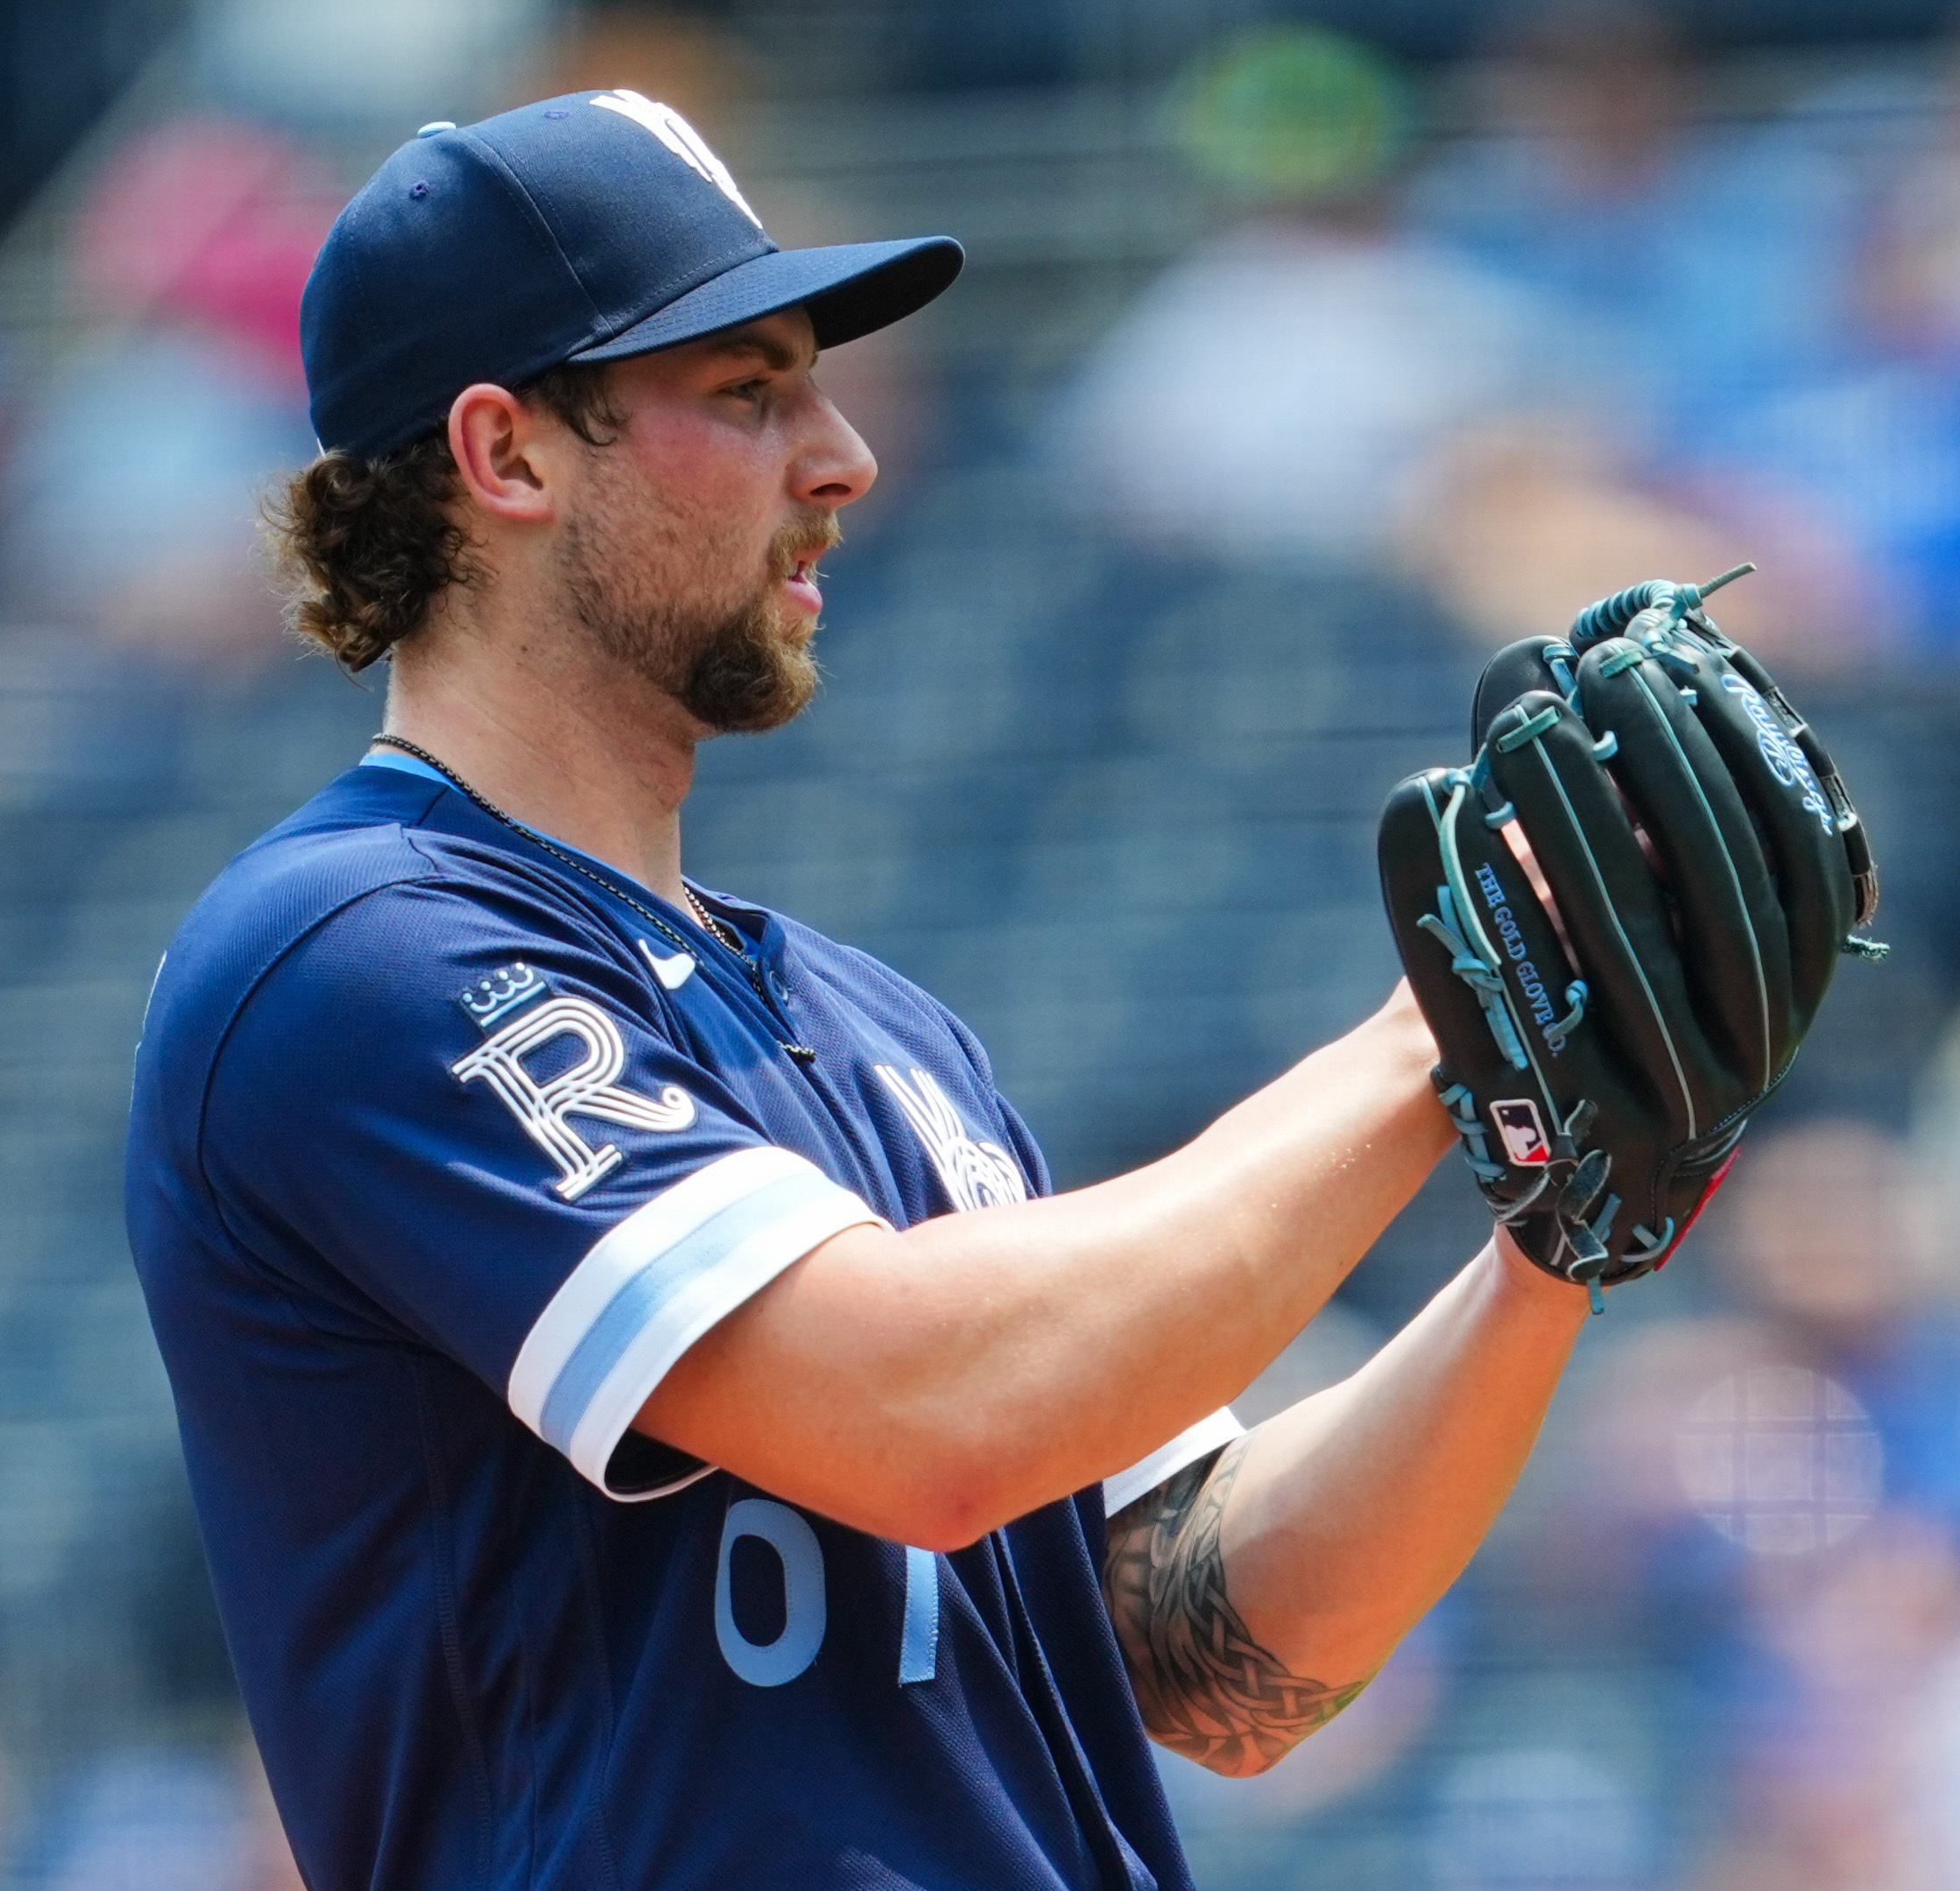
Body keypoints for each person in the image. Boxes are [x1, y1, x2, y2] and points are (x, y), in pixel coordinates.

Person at [125, 91, 1592, 1890]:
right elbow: (926, 1421)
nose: (843, 457)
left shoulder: (888, 1031)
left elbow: (1218, 1660)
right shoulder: (356, 957)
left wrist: (1551, 1240)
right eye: (747, 392)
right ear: (506, 456)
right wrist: (1437, 1032)